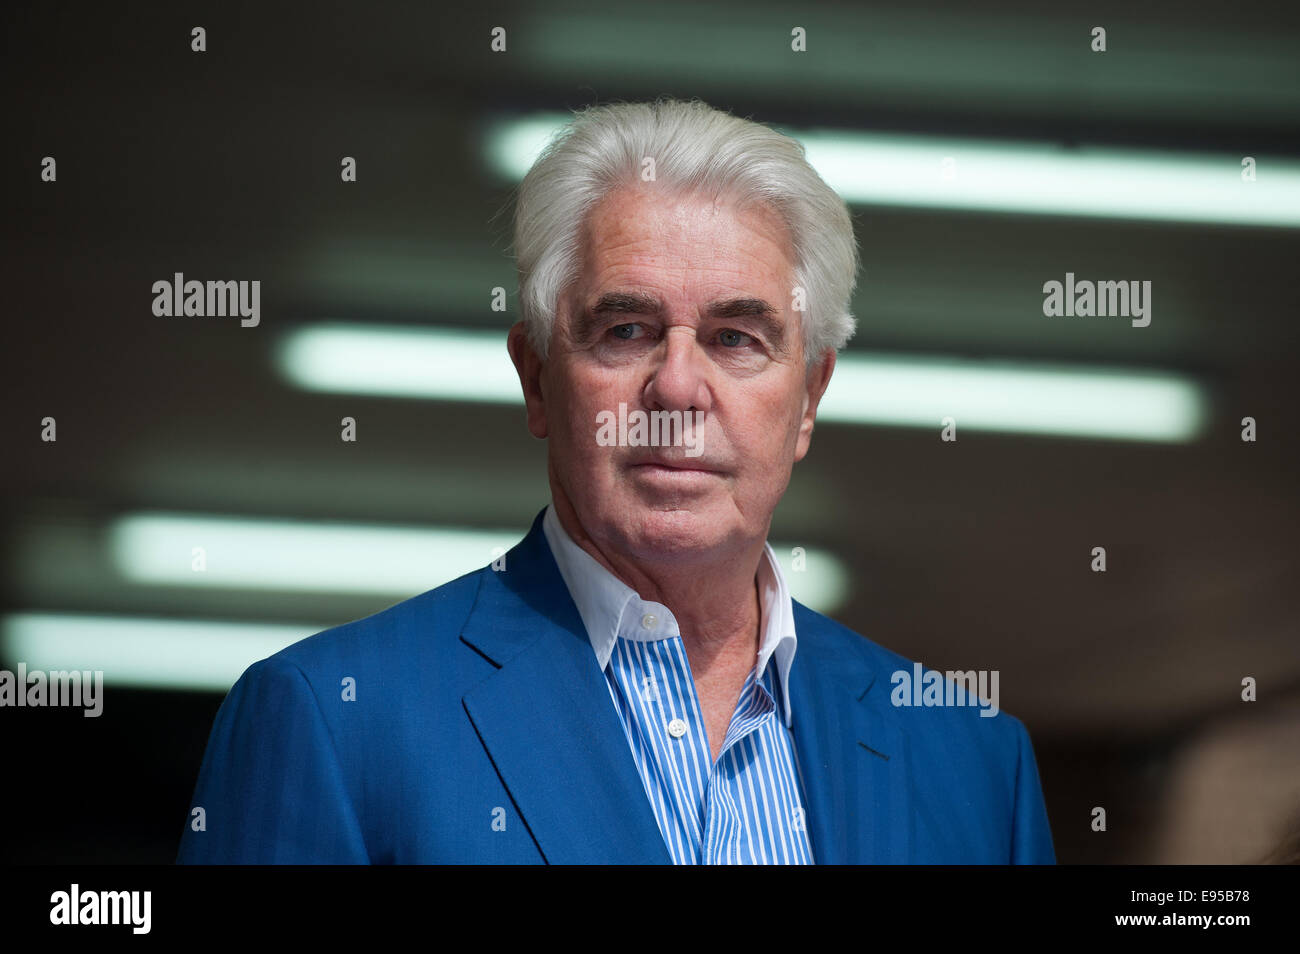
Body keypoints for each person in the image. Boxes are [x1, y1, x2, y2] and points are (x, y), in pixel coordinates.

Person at [177, 98, 1055, 864]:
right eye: (627, 330)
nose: (677, 387)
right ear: (536, 379)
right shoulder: (333, 723)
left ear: (809, 399)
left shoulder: (972, 762)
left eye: (737, 338)